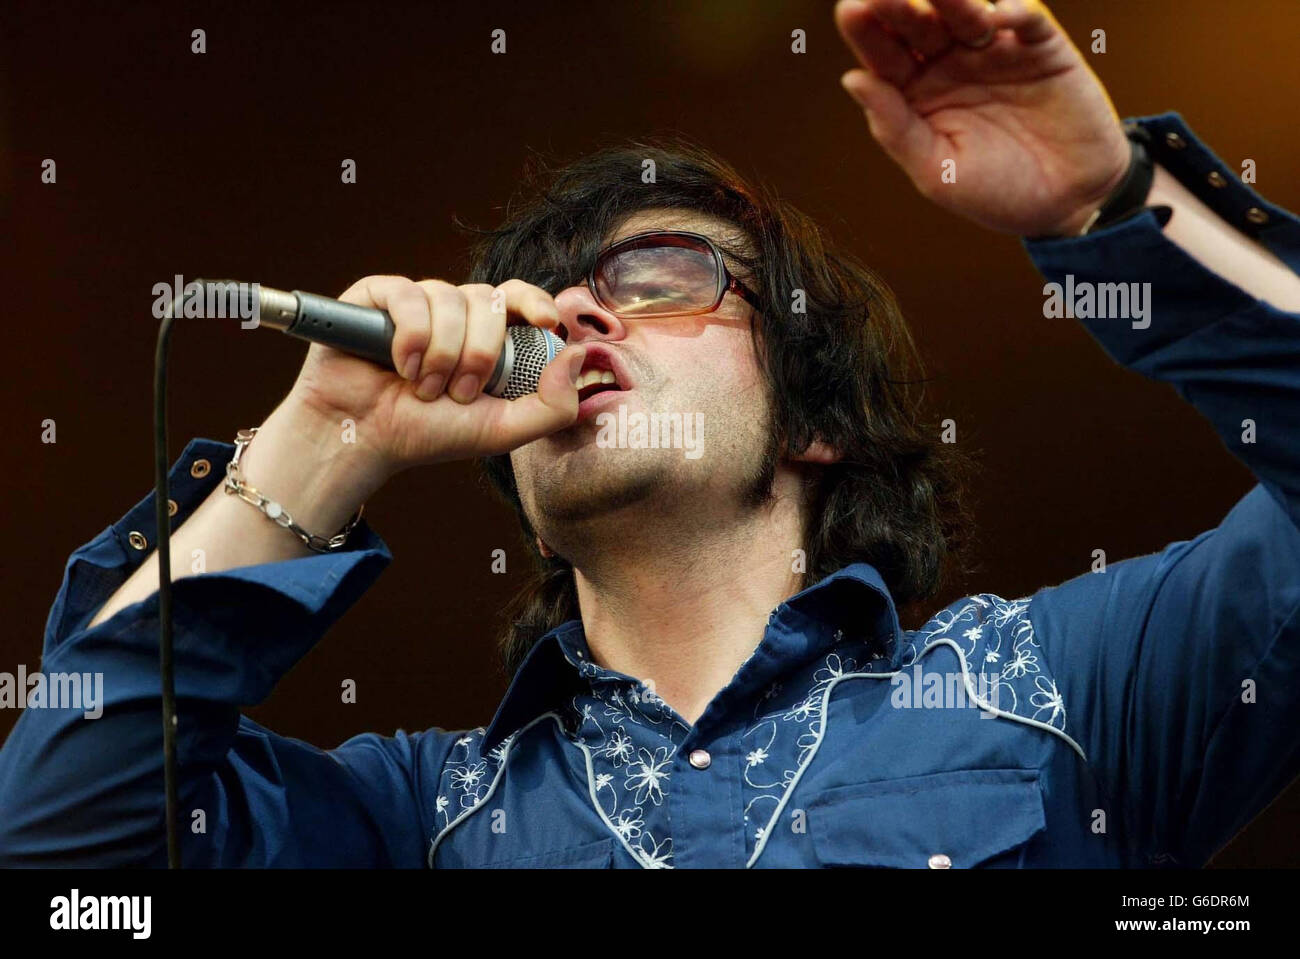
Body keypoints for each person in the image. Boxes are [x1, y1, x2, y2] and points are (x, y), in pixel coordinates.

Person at [3, 0, 1299, 868]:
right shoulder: (418, 819)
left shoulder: (1058, 692)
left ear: (818, 423)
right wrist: (321, 442)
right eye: (556, 297)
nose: (577, 315)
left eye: (663, 274)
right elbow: (60, 850)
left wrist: (1107, 203)